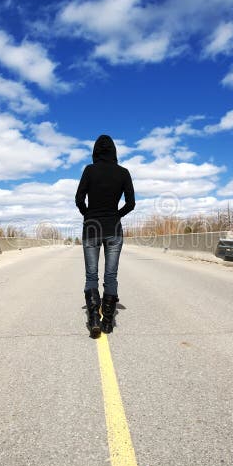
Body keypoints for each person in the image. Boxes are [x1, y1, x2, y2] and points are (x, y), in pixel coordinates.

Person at [75, 135, 135, 338]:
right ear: (114, 151)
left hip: (91, 228)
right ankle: (108, 321)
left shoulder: (89, 170)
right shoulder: (123, 172)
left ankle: (93, 320)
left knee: (91, 275)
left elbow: (79, 199)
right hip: (114, 229)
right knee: (111, 276)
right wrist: (115, 215)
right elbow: (131, 203)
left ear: (95, 151)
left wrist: (89, 215)